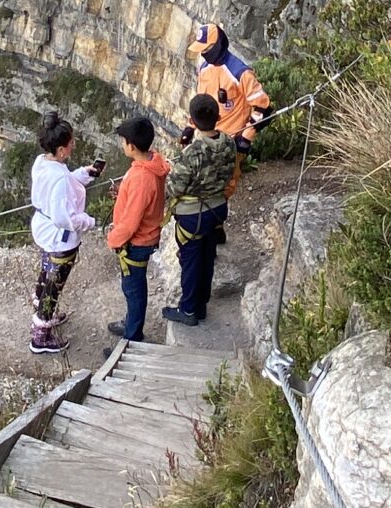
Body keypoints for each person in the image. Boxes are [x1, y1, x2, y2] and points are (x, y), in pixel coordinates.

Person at [28, 110, 102, 356]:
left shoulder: (43, 162)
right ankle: (41, 334)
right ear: (61, 150)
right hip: (60, 237)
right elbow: (65, 217)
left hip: (43, 227)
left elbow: (60, 183)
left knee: (47, 269)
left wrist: (82, 175)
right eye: (70, 143)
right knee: (55, 281)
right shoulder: (59, 177)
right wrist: (89, 221)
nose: (73, 145)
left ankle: (41, 305)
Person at [163, 91, 238, 325]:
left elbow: (174, 189)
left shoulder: (192, 153)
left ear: (192, 121)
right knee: (206, 258)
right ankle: (201, 305)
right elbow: (229, 173)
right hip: (217, 208)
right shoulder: (228, 143)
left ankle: (188, 311)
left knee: (191, 262)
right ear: (218, 117)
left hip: (192, 216)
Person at [104, 111, 169, 341]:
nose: (122, 145)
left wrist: (114, 238)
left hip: (137, 241)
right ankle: (131, 323)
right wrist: (123, 193)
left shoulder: (142, 178)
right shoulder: (150, 164)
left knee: (133, 289)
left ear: (131, 146)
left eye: (123, 141)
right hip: (145, 236)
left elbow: (132, 221)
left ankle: (133, 337)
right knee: (133, 287)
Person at [189, 20, 271, 186]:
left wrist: (245, 138)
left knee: (226, 185)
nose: (203, 54)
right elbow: (200, 104)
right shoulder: (204, 69)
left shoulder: (240, 73)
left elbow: (264, 109)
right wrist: (190, 127)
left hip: (231, 141)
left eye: (206, 49)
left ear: (217, 46)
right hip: (207, 137)